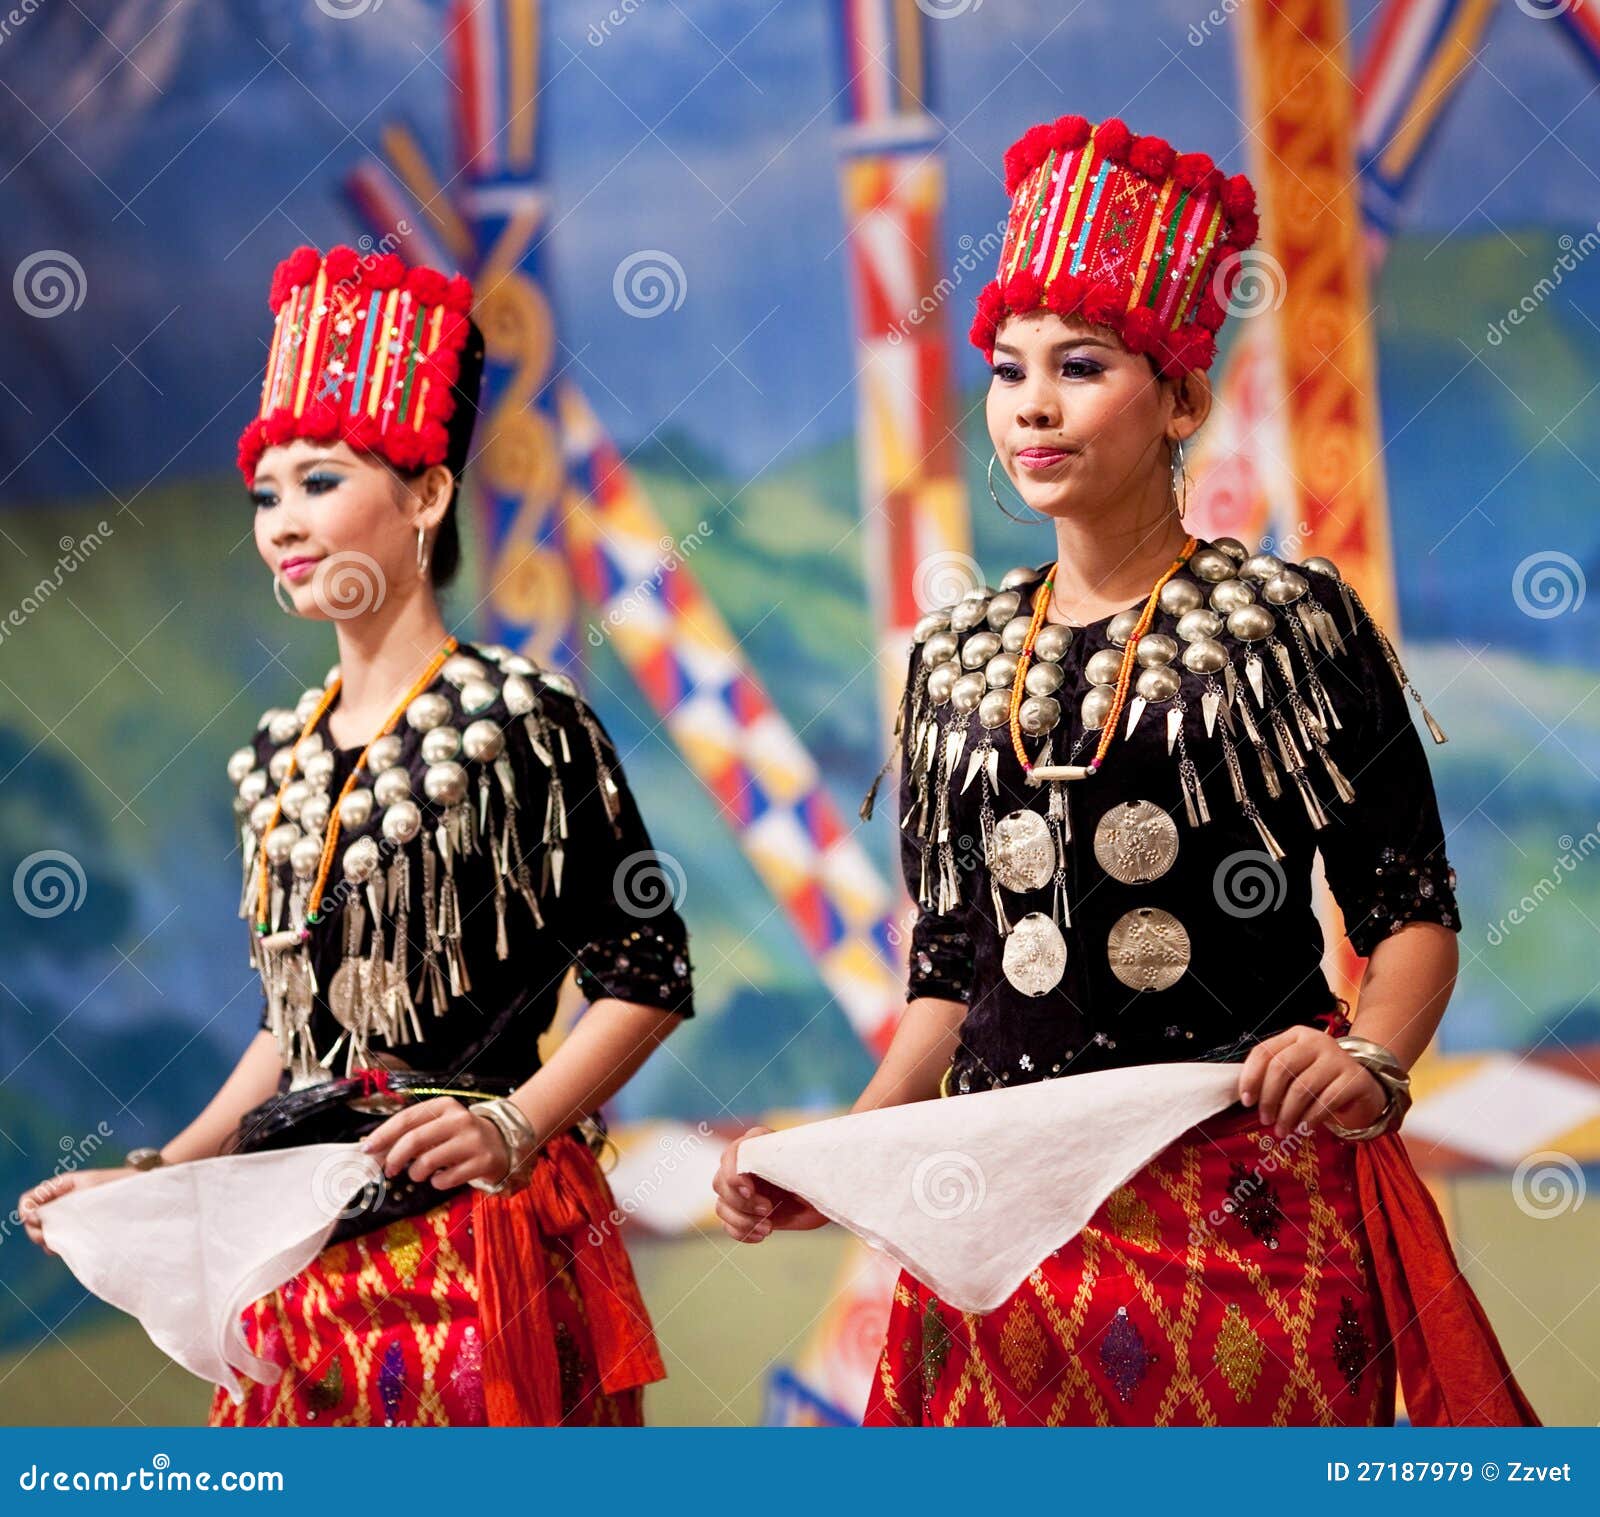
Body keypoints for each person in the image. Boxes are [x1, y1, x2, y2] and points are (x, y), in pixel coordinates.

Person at [712, 114, 1538, 1427]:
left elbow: (1407, 912)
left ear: (1184, 399)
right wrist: (848, 1146)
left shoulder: (1287, 621)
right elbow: (950, 973)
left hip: (1243, 1198)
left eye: (1080, 365)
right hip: (997, 1228)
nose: (1032, 404)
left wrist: (1372, 1060)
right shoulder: (956, 658)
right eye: (1006, 370)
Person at [19, 243, 695, 1428]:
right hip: (302, 1242)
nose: (283, 522)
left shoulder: (519, 722)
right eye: (265, 494)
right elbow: (296, 1033)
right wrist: (163, 1169)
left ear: (425, 494)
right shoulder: (280, 756)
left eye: (320, 482)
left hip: (476, 1240)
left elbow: (645, 973)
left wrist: (514, 1119)